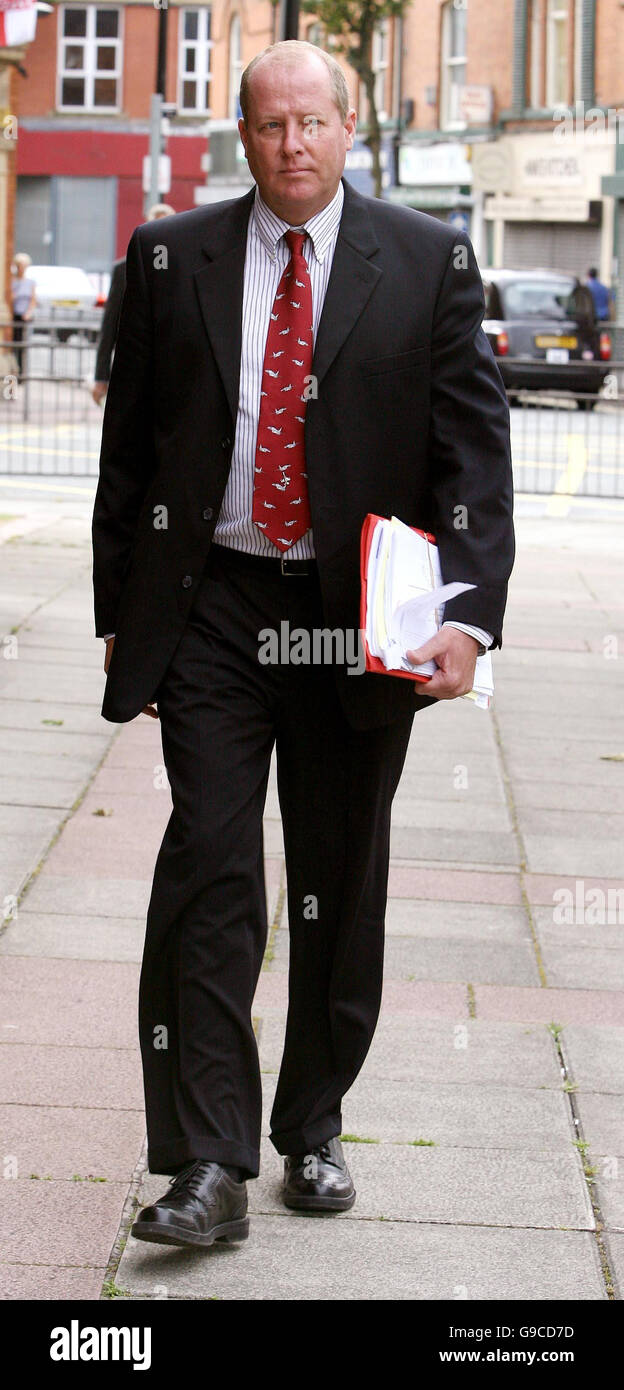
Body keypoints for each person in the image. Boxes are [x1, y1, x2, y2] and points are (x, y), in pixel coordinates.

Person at [92, 40, 514, 1249]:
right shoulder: (172, 256)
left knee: (337, 874)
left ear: (347, 124)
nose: (291, 146)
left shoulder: (427, 261)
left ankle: (313, 1123)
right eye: (269, 125)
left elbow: (471, 457)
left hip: (350, 621)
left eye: (311, 123)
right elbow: (131, 450)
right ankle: (206, 1162)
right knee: (210, 867)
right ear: (245, 134)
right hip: (214, 605)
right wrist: (125, 604)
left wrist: (467, 616)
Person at [91, 203, 175, 406]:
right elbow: (109, 324)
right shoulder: (125, 268)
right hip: (133, 367)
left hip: (172, 367)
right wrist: (101, 377)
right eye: (156, 225)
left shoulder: (185, 266)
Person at [11, 252, 37, 382]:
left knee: (22, 346)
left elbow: (33, 300)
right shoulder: (12, 281)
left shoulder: (30, 282)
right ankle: (13, 373)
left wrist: (28, 313)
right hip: (13, 316)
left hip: (24, 317)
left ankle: (21, 374)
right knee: (12, 346)